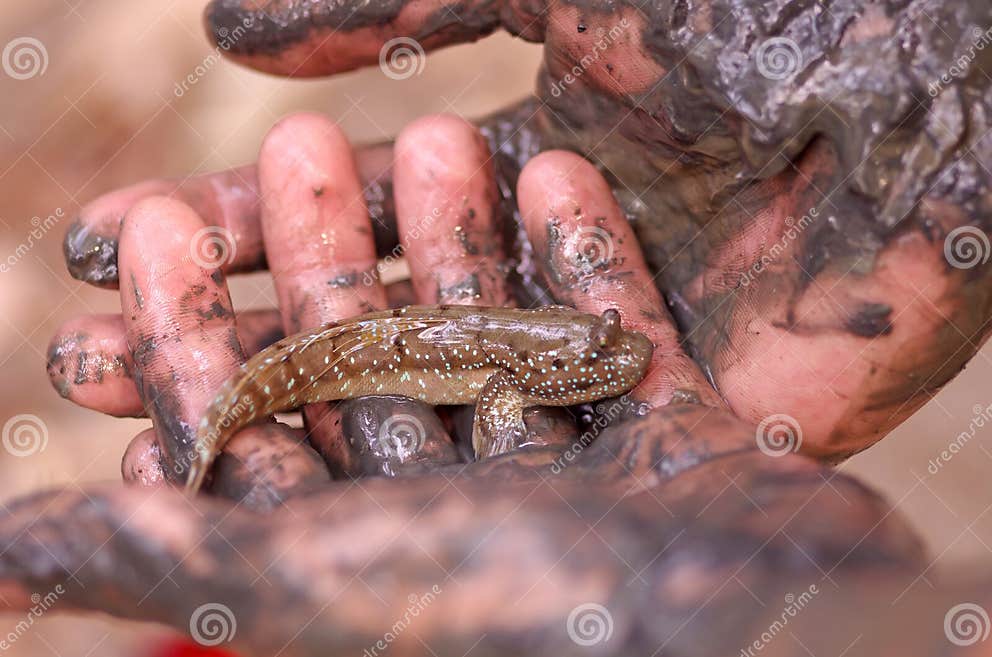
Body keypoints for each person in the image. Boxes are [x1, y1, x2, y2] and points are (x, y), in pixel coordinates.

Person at [8, 0, 992, 655]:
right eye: (598, 362)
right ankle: (218, 435)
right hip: (390, 353)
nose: (615, 364)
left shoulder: (559, 357)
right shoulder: (531, 361)